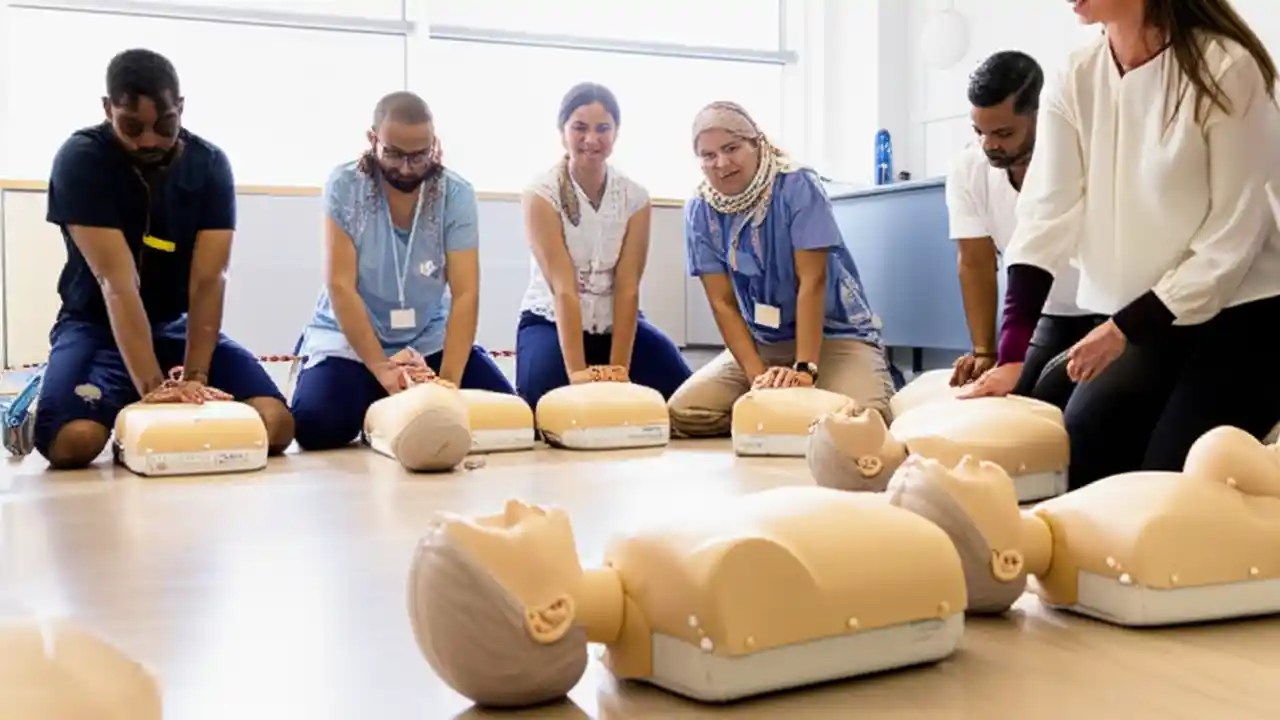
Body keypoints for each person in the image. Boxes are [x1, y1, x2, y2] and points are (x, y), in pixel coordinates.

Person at [961, 0, 1280, 488]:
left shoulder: (1226, 68)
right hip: (1148, 325)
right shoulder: (1077, 75)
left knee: (1168, 480)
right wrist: (1010, 353)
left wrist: (1118, 330)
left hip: (1242, 318)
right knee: (1087, 449)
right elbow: (1047, 213)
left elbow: (1232, 239)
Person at [33, 48, 294, 469]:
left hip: (172, 327)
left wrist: (195, 379)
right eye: (132, 127)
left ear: (182, 109)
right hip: (95, 326)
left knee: (275, 425)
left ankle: (127, 397)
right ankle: (90, 399)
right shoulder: (81, 159)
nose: (150, 140)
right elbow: (117, 284)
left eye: (165, 125)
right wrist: (155, 391)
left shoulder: (209, 165)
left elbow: (209, 280)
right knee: (72, 443)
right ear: (107, 110)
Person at [291, 91, 515, 450]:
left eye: (419, 155)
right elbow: (340, 285)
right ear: (372, 140)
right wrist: (382, 368)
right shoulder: (345, 186)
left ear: (434, 145)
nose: (407, 168)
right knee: (316, 426)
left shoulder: (454, 194)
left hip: (427, 337)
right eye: (394, 154)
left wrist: (447, 386)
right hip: (352, 342)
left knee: (509, 417)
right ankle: (380, 404)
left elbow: (466, 292)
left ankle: (395, 403)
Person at [667, 101, 895, 437]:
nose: (722, 163)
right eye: (708, 155)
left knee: (864, 419)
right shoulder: (699, 209)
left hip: (834, 337)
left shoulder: (797, 184)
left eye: (732, 148)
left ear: (756, 143)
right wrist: (758, 377)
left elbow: (812, 281)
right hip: (765, 343)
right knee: (684, 412)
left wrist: (804, 368)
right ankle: (795, 415)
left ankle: (846, 386)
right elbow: (722, 302)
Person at [515, 82, 692, 410]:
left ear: (616, 133)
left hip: (615, 324)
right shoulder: (541, 194)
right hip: (551, 322)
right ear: (562, 131)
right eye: (579, 128)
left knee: (684, 397)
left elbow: (627, 288)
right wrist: (578, 376)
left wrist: (619, 372)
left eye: (603, 129)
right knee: (545, 403)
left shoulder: (635, 198)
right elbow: (564, 289)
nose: (591, 140)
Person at [945, 50, 1096, 406]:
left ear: (1040, 116)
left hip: (1106, 311)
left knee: (1075, 406)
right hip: (1049, 314)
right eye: (979, 132)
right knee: (1020, 399)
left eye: (1004, 132)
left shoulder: (1082, 154)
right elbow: (975, 261)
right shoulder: (969, 168)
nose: (989, 145)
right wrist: (984, 351)